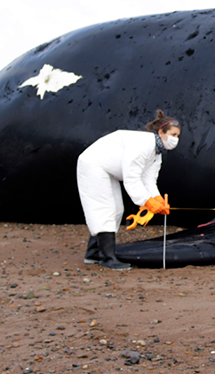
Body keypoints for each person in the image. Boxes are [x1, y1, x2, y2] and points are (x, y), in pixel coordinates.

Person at [76, 110, 180, 270]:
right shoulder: (143, 144)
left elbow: (149, 181)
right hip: (92, 166)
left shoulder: (156, 153)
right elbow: (132, 179)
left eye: (177, 136)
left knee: (117, 210)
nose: (175, 139)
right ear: (161, 131)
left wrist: (158, 199)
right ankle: (107, 258)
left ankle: (93, 253)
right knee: (105, 209)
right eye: (173, 134)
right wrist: (147, 202)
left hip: (106, 170)